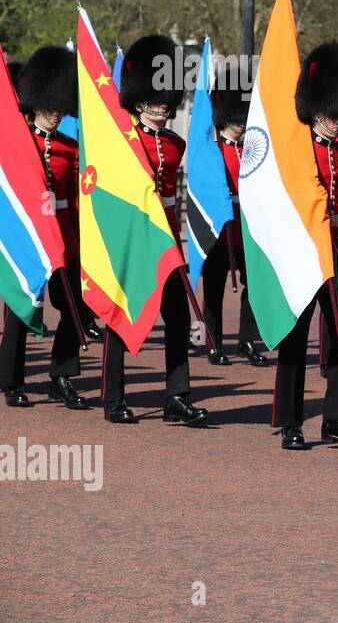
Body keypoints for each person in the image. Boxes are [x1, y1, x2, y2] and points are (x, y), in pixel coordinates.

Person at [100, 35, 208, 425]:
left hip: (165, 241)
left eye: (167, 98)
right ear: (140, 97)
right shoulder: (122, 141)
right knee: (122, 315)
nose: (164, 106)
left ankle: (177, 395)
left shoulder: (175, 144)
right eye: (157, 97)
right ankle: (114, 397)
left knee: (177, 316)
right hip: (133, 240)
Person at [271, 43, 338, 450]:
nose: (336, 121)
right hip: (302, 251)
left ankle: (336, 416)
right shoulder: (296, 151)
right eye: (330, 112)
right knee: (295, 337)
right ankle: (290, 421)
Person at [0, 48, 91, 411]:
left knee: (75, 307)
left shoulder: (70, 147)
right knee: (21, 309)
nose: (55, 114)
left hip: (64, 237)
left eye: (59, 107)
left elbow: (76, 198)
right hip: (28, 238)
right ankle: (11, 380)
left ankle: (61, 377)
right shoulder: (19, 144)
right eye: (49, 106)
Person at [202, 62, 269, 367]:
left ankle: (247, 340)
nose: (241, 125)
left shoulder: (254, 148)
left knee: (254, 286)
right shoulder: (213, 150)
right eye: (236, 119)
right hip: (220, 226)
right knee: (214, 287)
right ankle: (213, 342)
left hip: (248, 227)